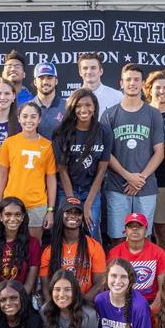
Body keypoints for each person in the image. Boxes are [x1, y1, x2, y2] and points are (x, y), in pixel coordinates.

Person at [101, 64, 165, 245]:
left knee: (144, 239)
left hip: (146, 187)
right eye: (128, 79)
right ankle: (118, 273)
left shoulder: (153, 114)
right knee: (118, 237)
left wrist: (141, 178)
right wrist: (128, 176)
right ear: (121, 83)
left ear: (142, 83)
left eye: (136, 79)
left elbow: (159, 152)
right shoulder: (109, 114)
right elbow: (106, 153)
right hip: (117, 186)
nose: (132, 83)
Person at [54, 89, 111, 236]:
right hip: (66, 190)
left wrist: (87, 205)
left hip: (91, 191)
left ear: (95, 107)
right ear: (72, 108)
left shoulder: (104, 132)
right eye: (78, 106)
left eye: (88, 105)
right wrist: (72, 201)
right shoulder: (62, 132)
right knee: (67, 233)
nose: (83, 110)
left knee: (90, 232)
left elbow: (101, 170)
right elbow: (62, 170)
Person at [0, 102, 57, 237]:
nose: (28, 120)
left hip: (37, 204)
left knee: (34, 246)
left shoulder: (47, 146)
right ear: (19, 119)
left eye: (33, 116)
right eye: (25, 116)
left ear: (39, 119)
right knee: (10, 243)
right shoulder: (9, 143)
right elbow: (2, 175)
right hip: (11, 203)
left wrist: (50, 209)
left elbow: (51, 178)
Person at [0, 197, 43, 295]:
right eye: (8, 214)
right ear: (0, 217)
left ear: (23, 216)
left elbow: (29, 283)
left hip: (20, 301)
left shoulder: (33, 244)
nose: (13, 219)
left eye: (18, 214)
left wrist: (19, 302)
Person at [40, 202, 107, 298]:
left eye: (77, 213)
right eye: (68, 212)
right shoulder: (49, 250)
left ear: (82, 218)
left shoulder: (94, 246)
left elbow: (99, 283)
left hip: (85, 301)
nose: (73, 216)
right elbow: (45, 286)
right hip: (58, 302)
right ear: (60, 216)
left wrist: (82, 303)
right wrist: (52, 306)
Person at [105, 212, 165, 298]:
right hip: (122, 299)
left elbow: (164, 286)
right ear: (125, 230)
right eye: (131, 226)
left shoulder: (158, 252)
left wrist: (153, 307)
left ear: (146, 230)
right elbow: (110, 284)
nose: (135, 229)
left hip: (150, 300)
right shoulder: (115, 253)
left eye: (139, 226)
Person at [144, 71, 165, 244]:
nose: (162, 91)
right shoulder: (141, 113)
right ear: (148, 89)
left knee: (163, 232)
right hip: (142, 182)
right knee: (143, 232)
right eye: (157, 87)